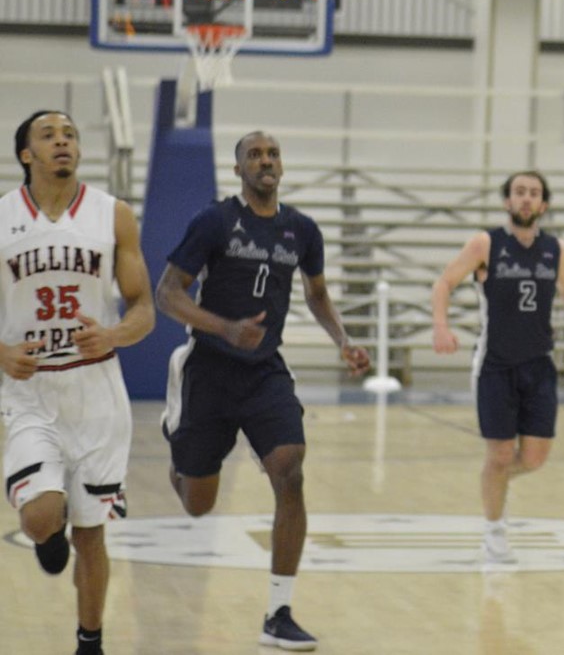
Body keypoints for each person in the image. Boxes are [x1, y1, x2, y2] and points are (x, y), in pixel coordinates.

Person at [156, 131, 371, 651]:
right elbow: (167, 293)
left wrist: (343, 340)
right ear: (238, 171)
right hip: (208, 368)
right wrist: (222, 327)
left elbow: (317, 294)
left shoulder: (302, 230)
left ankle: (279, 611)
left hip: (263, 372)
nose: (266, 160)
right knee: (198, 504)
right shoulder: (215, 221)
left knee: (290, 469)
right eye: (254, 154)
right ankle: (181, 460)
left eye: (272, 153)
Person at [2, 110, 154, 655]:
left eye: (70, 133)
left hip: (96, 392)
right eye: (49, 136)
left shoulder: (112, 215)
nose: (62, 141)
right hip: (30, 390)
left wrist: (115, 335)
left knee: (92, 535)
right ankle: (51, 520)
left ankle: (90, 643)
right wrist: (1, 352)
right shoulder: (1, 220)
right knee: (42, 518)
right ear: (27, 155)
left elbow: (144, 308)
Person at [431, 170, 564, 564]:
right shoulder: (486, 244)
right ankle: (494, 532)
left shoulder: (556, 249)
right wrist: (441, 326)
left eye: (534, 193)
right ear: (507, 201)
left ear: (544, 205)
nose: (526, 199)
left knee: (535, 458)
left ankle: (492, 488)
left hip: (539, 364)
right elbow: (444, 284)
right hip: (495, 364)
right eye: (519, 192)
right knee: (501, 455)